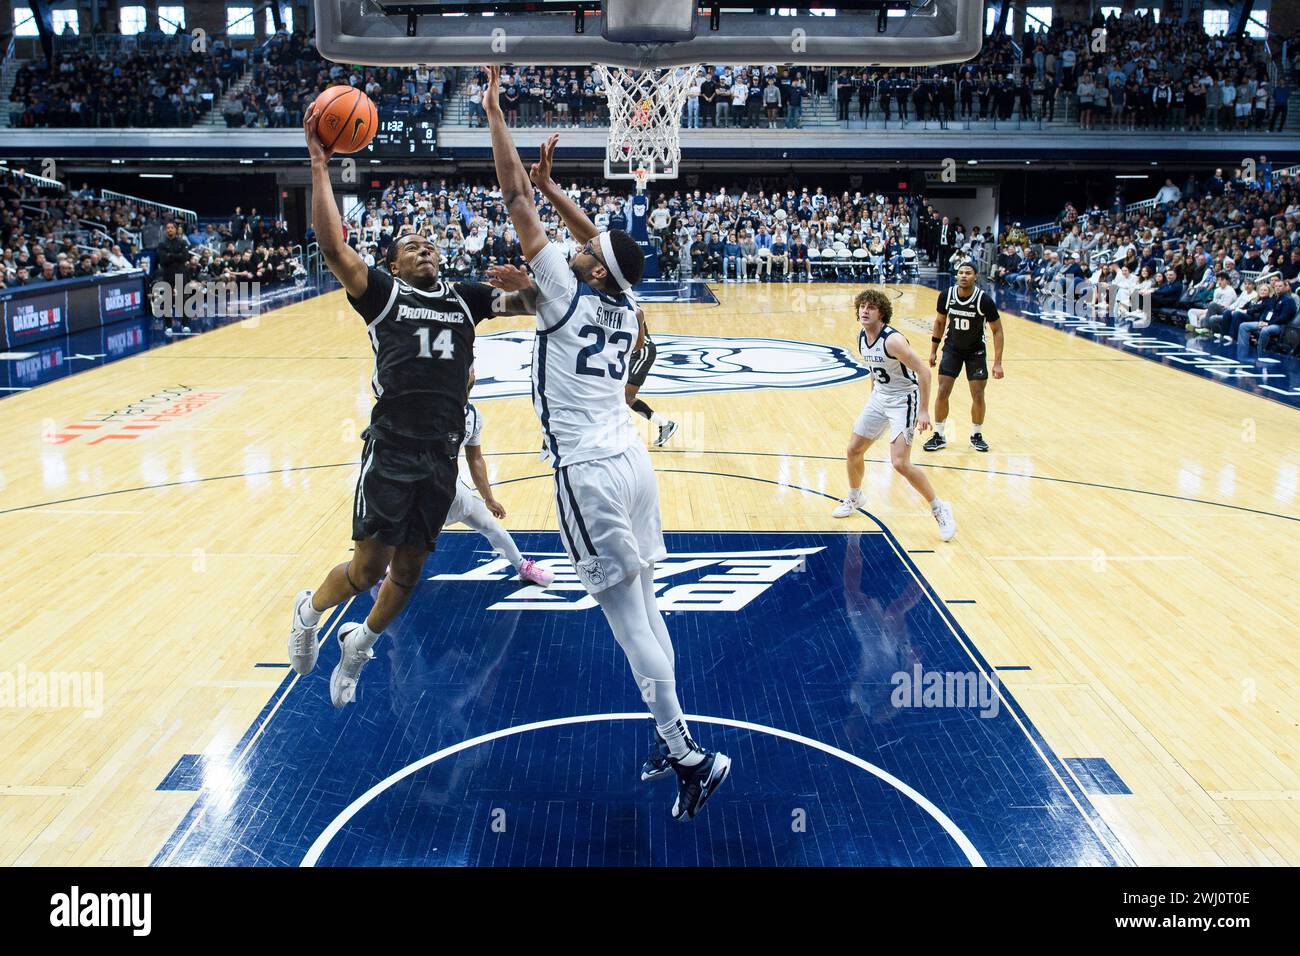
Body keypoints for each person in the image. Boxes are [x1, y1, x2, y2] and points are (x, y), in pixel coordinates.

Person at [483, 91, 730, 821]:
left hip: (588, 477)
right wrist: (560, 190)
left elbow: (513, 198)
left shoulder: (564, 287)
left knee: (628, 625)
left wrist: (496, 110)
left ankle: (691, 756)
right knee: (647, 610)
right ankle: (671, 736)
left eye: (584, 251)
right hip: (632, 467)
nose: (579, 245)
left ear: (589, 271)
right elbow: (602, 248)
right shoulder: (623, 303)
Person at [287, 103, 537, 708]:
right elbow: (330, 245)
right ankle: (309, 609)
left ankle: (361, 644)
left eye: (430, 246)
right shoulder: (380, 294)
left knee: (409, 574)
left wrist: (525, 283)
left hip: (441, 455)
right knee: (369, 570)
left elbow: (537, 302)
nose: (424, 250)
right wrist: (320, 167)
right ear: (393, 263)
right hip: (393, 449)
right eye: (411, 246)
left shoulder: (467, 297)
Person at [832, 289, 957, 542]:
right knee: (854, 449)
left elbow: (924, 372)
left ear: (882, 313)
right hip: (880, 397)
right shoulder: (861, 336)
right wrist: (872, 396)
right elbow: (874, 370)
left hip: (904, 400)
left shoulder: (893, 340)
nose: (864, 311)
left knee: (900, 463)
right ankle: (855, 496)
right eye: (862, 306)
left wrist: (923, 410)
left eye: (871, 307)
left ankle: (940, 508)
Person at [924, 262, 1004, 453]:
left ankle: (976, 434)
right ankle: (939, 435)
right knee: (942, 391)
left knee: (977, 394)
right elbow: (939, 322)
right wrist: (933, 350)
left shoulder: (984, 300)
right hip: (952, 349)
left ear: (975, 277)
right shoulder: (946, 296)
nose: (964, 276)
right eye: (960, 272)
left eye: (968, 273)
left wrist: (998, 363)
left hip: (975, 351)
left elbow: (997, 330)